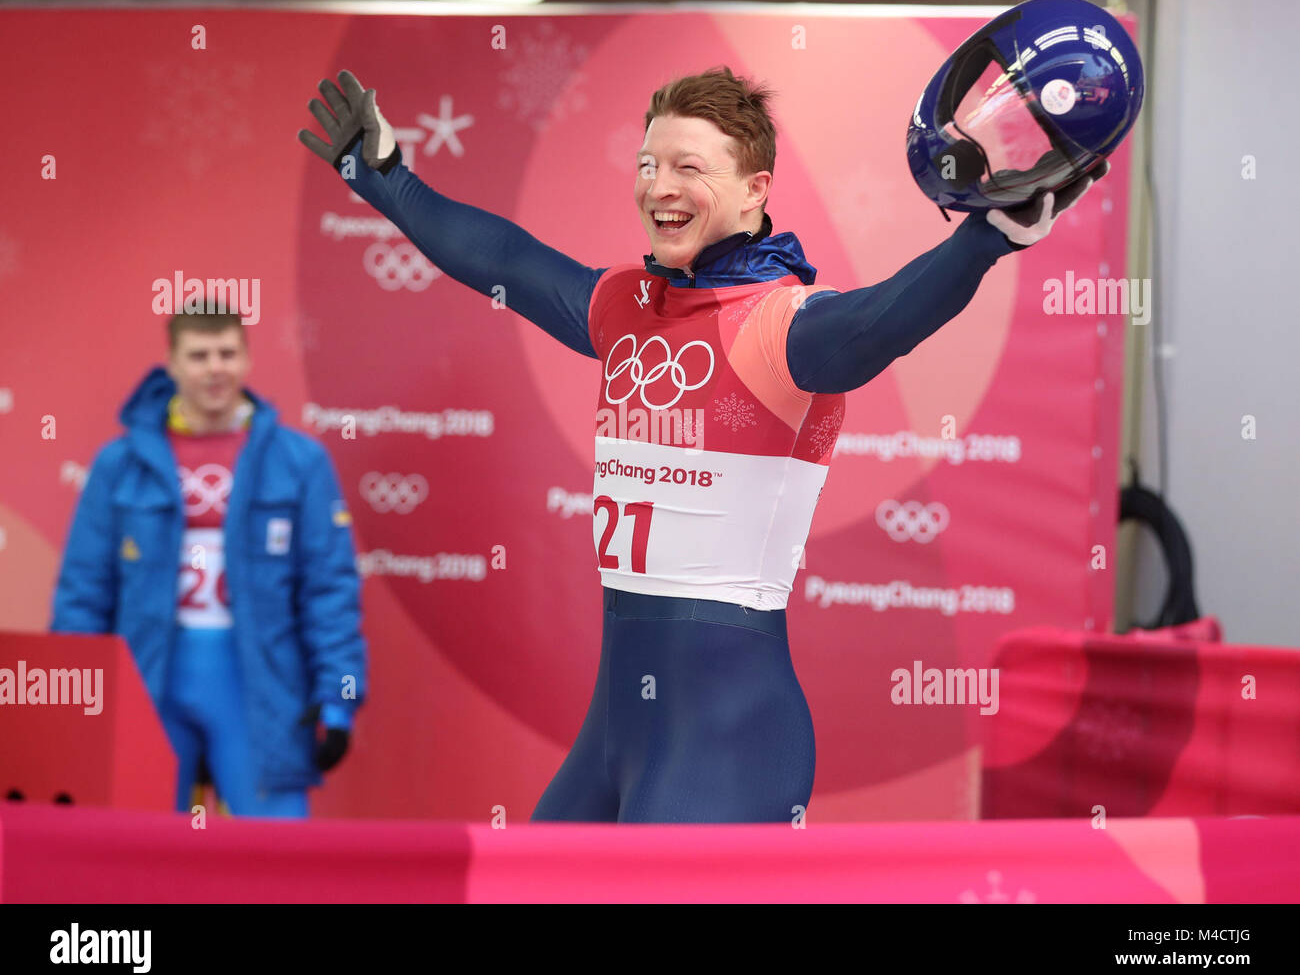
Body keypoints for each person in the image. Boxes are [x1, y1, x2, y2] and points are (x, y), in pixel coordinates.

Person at [299, 66, 1096, 822]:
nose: (660, 186)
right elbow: (504, 259)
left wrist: (986, 241)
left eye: (689, 167)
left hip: (731, 740)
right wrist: (384, 174)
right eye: (648, 165)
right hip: (615, 734)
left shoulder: (784, 326)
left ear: (755, 189)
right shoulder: (624, 305)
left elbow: (878, 324)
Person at [51, 310, 366, 818]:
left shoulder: (299, 460)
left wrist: (338, 697)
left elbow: (329, 590)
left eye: (227, 353)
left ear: (247, 359)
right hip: (147, 684)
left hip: (260, 688)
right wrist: (74, 698)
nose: (215, 368)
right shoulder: (120, 463)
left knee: (277, 850)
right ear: (172, 364)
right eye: (199, 356)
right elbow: (84, 592)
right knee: (138, 847)